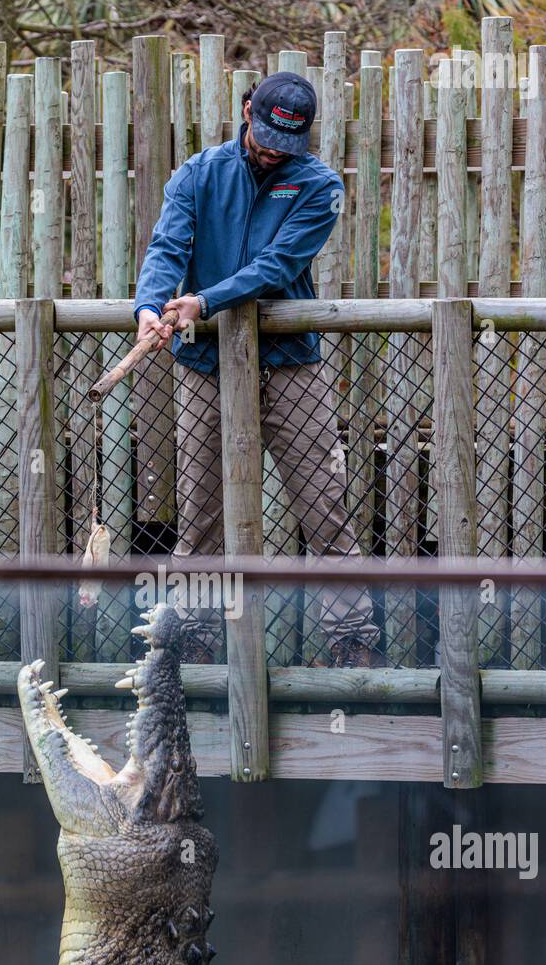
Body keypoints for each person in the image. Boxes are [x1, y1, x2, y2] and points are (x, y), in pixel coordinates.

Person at [133, 71, 380, 665]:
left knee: (324, 509)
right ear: (246, 110)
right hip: (204, 363)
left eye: (286, 143)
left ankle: (352, 648)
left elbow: (277, 264)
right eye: (266, 134)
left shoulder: (319, 187)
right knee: (199, 514)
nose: (273, 150)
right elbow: (167, 247)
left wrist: (205, 300)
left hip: (290, 365)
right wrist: (149, 305)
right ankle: (192, 647)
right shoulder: (197, 174)